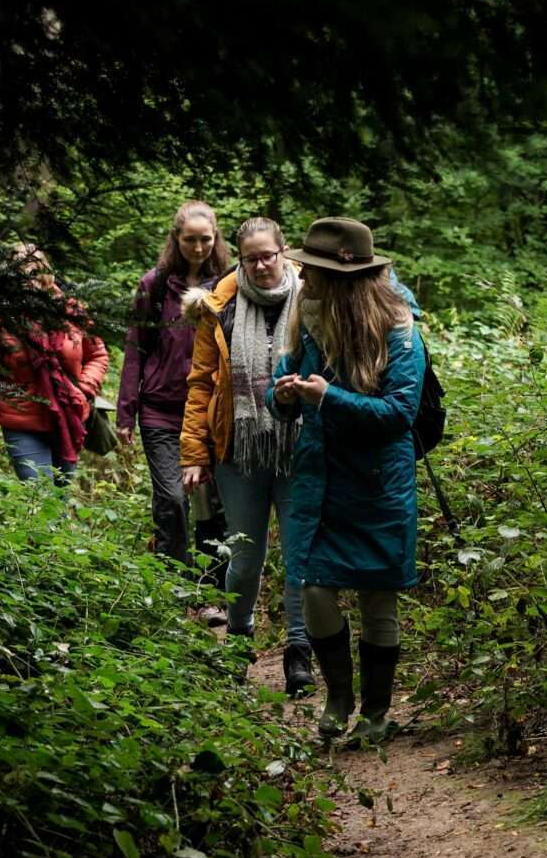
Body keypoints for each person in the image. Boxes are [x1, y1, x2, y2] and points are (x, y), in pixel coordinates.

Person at [267, 217, 424, 744]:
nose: (302, 278)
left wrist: (328, 397)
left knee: (378, 598)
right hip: (322, 480)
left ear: (342, 279)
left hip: (380, 483)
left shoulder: (398, 327)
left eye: (312, 270)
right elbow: (283, 381)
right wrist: (282, 395)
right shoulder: (308, 317)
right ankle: (338, 697)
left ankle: (376, 713)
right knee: (314, 588)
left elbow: (399, 413)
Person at [181, 218, 317, 696]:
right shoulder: (219, 306)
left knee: (299, 555)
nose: (260, 266)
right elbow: (201, 382)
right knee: (244, 556)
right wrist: (193, 453)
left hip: (299, 445)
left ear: (284, 253)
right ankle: (239, 641)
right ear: (238, 259)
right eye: (250, 258)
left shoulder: (313, 299)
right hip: (237, 449)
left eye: (268, 256)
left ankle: (299, 651)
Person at [117, 201, 231, 618]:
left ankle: (212, 594)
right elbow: (136, 348)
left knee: (211, 504)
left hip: (210, 411)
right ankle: (173, 593)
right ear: (176, 239)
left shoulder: (228, 285)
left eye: (206, 239)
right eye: (190, 239)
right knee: (172, 499)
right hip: (160, 410)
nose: (198, 247)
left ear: (216, 238)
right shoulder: (155, 284)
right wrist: (125, 412)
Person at [0, 247, 109, 483]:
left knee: (60, 496)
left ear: (46, 274)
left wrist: (84, 388)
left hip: (67, 417)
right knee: (39, 494)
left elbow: (97, 355)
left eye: (34, 272)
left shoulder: (71, 311)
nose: (28, 280)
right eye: (20, 274)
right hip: (22, 421)